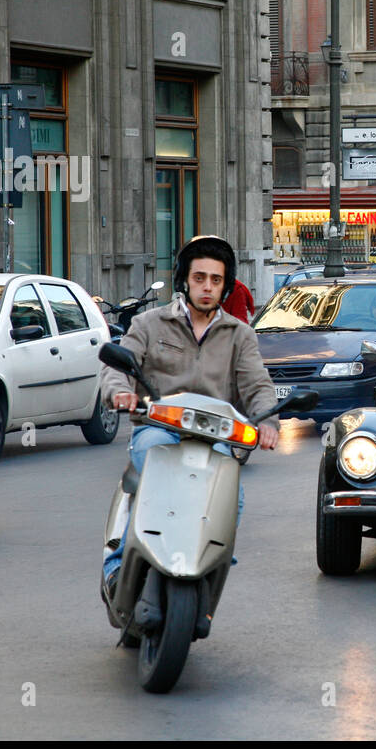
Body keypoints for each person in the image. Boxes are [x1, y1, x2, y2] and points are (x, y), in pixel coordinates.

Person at [99, 235, 280, 602]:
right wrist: (120, 392)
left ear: (226, 286)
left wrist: (267, 422)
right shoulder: (149, 324)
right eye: (199, 278)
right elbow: (117, 366)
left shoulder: (240, 335)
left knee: (232, 496)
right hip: (158, 429)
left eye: (216, 280)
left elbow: (257, 385)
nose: (207, 287)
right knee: (152, 477)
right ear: (184, 280)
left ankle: (213, 560)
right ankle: (116, 566)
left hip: (216, 437)